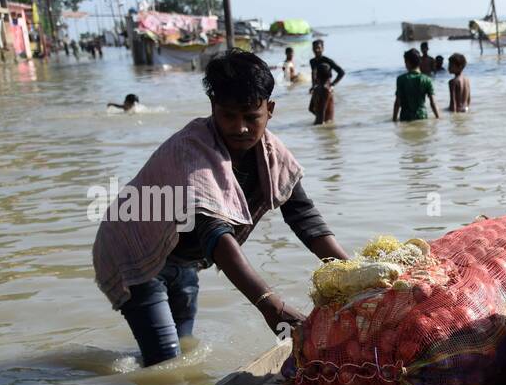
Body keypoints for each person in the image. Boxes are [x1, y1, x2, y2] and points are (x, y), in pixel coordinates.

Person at [92, 49, 351, 367]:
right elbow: (215, 234)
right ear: (213, 109)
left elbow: (303, 216)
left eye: (250, 116)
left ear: (269, 110)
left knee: (183, 351)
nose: (239, 127)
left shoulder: (272, 156)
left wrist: (353, 274)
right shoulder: (193, 152)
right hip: (133, 251)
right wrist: (270, 304)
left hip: (183, 257)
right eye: (228, 115)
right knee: (165, 362)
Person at [393, 49, 440, 123]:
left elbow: (397, 102)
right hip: (422, 116)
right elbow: (433, 103)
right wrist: (438, 117)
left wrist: (394, 120)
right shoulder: (427, 79)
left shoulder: (401, 79)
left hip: (406, 117)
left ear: (407, 62)